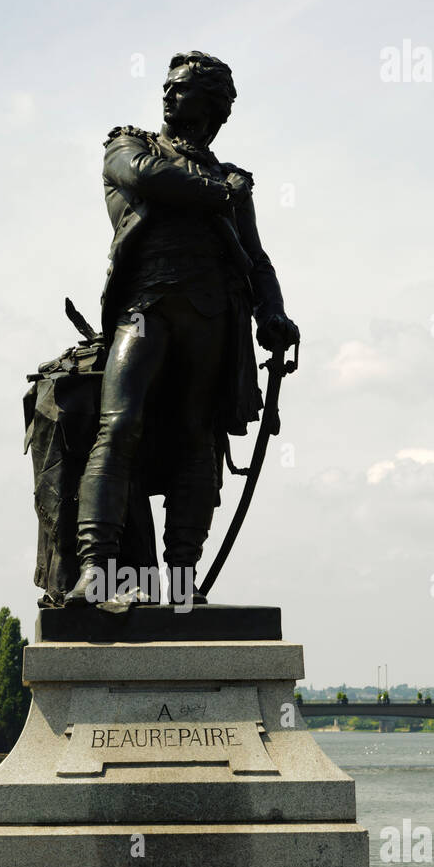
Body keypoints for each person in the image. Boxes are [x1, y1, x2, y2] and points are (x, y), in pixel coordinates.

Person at [65, 50, 299, 606]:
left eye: (184, 88)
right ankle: (93, 571)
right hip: (145, 309)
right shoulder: (130, 145)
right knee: (118, 426)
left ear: (214, 106)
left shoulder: (232, 178)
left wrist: (273, 312)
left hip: (217, 315)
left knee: (200, 438)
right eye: (168, 86)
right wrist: (223, 194)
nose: (169, 95)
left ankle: (181, 582)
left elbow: (256, 258)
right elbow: (149, 178)